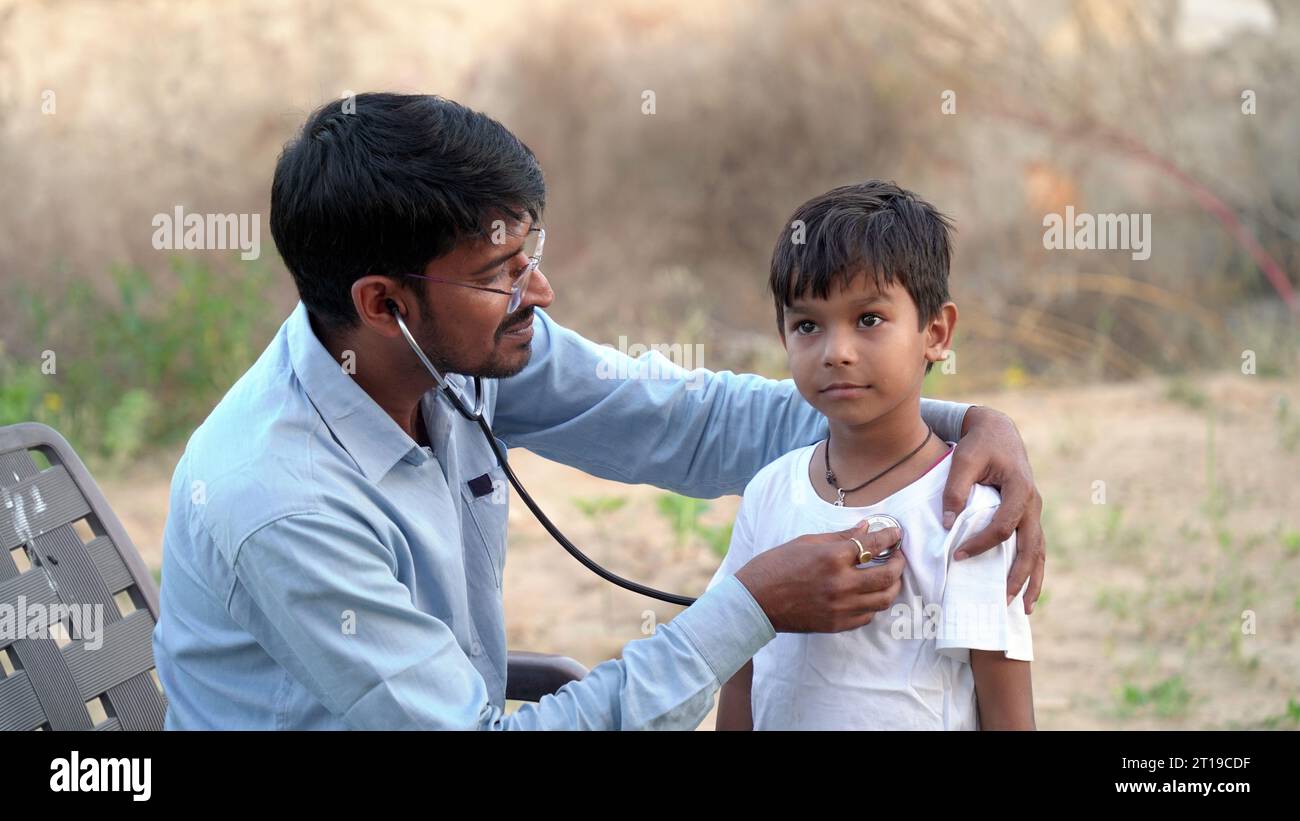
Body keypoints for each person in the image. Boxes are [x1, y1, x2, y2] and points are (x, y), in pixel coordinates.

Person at [152, 93, 1046, 730]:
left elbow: (689, 420)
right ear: (385, 304)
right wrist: (747, 609)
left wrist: (964, 426)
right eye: (501, 272)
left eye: (528, 251)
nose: (539, 290)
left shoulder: (454, 348)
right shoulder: (279, 503)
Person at [711, 180, 1034, 730]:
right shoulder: (770, 490)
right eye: (807, 325)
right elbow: (739, 673)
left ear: (935, 332)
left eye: (868, 320)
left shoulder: (969, 517)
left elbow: (1009, 717)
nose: (836, 352)